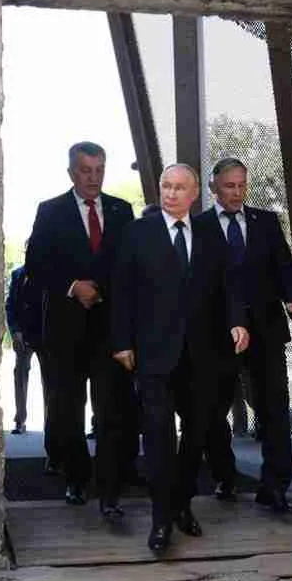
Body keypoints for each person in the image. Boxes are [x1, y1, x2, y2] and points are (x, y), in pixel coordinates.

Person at [110, 163, 250, 553]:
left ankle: (181, 505)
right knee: (157, 438)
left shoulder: (209, 233)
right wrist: (122, 342)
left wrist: (237, 322)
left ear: (194, 195)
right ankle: (160, 521)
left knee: (197, 437)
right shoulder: (137, 233)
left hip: (202, 355)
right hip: (154, 356)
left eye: (179, 188)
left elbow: (229, 283)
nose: (171, 194)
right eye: (166, 187)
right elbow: (122, 290)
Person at [25, 141, 136, 513]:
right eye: (86, 170)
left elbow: (131, 264)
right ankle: (76, 477)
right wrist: (73, 287)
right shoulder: (51, 211)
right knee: (67, 408)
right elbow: (36, 266)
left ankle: (109, 487)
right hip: (65, 329)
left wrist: (103, 291)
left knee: (111, 409)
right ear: (72, 172)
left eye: (100, 170)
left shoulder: (122, 210)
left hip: (110, 328)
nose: (94, 178)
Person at [196, 157, 292, 514]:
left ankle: (275, 487)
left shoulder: (267, 222)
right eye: (230, 186)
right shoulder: (197, 228)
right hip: (217, 334)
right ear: (213, 186)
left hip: (266, 330)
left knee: (274, 408)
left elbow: (285, 266)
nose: (238, 193)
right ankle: (225, 475)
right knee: (213, 411)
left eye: (243, 185)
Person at [5, 241, 45, 435]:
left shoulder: (50, 275)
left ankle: (51, 423)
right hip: (23, 336)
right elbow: (10, 305)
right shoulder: (17, 275)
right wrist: (15, 331)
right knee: (20, 376)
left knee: (51, 381)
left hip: (46, 336)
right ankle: (20, 420)